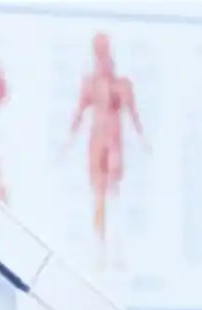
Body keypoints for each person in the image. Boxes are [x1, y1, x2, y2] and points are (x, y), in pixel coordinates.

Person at [64, 32, 149, 270]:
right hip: (97, 140)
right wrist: (67, 143)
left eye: (104, 49)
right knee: (99, 196)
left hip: (113, 140)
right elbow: (79, 114)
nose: (102, 55)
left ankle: (117, 248)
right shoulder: (89, 83)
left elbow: (133, 114)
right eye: (98, 50)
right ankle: (100, 250)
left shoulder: (122, 84)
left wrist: (143, 141)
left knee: (114, 194)